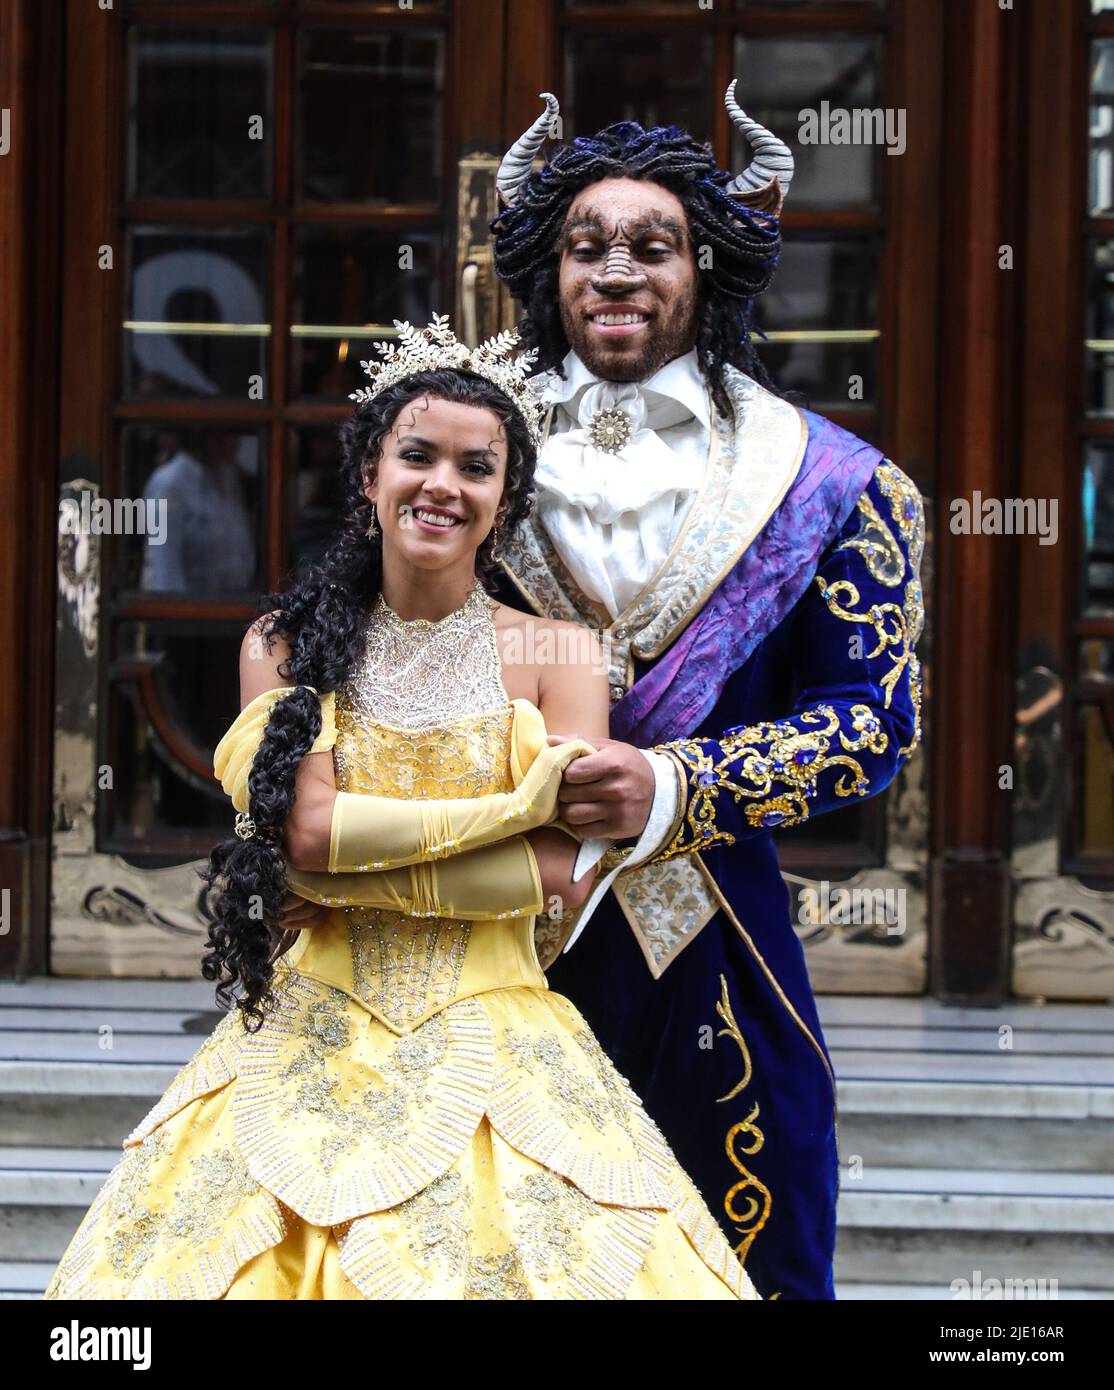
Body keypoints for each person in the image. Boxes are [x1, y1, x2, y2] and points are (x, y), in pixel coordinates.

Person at [43, 316, 757, 1302]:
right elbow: (304, 834)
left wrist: (337, 872)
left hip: (497, 1030)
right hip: (307, 1031)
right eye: (417, 455)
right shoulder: (284, 645)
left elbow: (549, 878)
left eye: (476, 467)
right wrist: (518, 802)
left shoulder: (562, 655)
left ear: (505, 497)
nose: (443, 485)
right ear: (370, 472)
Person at [485, 88, 926, 1299]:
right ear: (545, 266)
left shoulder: (835, 483)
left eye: (650, 244)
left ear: (708, 265)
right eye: (585, 245)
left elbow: (872, 724)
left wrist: (676, 781)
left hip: (719, 935)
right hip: (487, 928)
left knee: (750, 1247)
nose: (615, 270)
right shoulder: (454, 460)